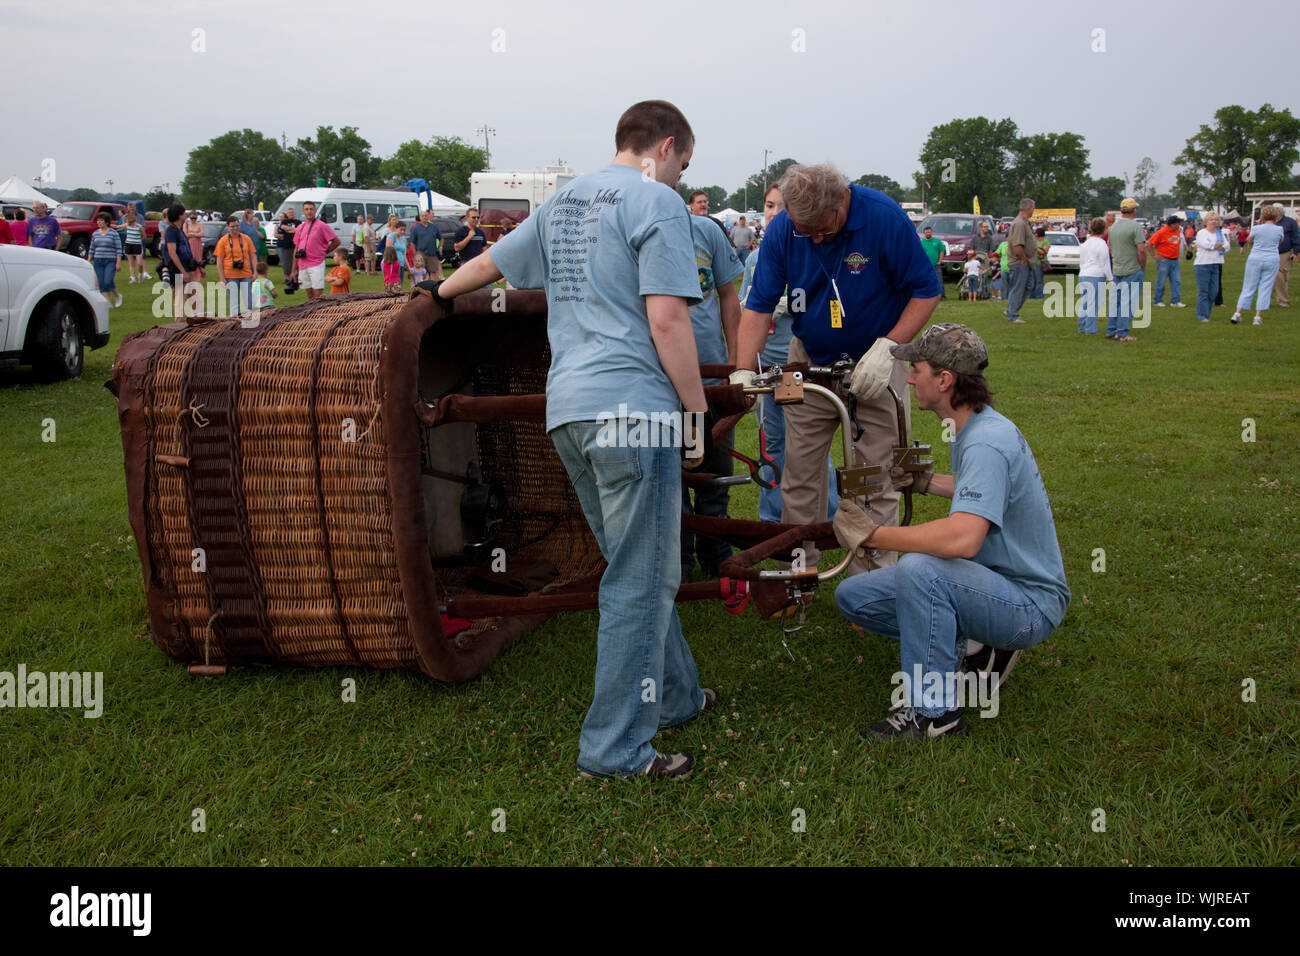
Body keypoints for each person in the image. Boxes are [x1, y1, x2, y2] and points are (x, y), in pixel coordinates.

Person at [429, 99, 715, 780]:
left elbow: (485, 267)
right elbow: (670, 319)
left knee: (633, 567)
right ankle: (614, 751)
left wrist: (436, 292)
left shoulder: (564, 201)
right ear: (667, 147)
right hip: (635, 411)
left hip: (570, 414)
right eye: (685, 164)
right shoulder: (658, 202)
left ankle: (672, 696)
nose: (681, 176)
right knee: (640, 581)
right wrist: (696, 411)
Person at [832, 323, 1069, 740]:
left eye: (916, 369)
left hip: (1029, 604)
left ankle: (934, 714)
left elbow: (963, 538)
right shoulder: (977, 426)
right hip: (992, 582)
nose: (908, 378)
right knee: (854, 596)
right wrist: (928, 483)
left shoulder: (985, 442)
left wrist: (871, 537)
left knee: (922, 570)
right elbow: (985, 492)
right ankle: (964, 650)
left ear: (944, 380)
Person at [732, 163, 941, 575]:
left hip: (878, 361)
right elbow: (758, 306)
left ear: (842, 200)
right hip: (809, 360)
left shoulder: (883, 217)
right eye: (805, 233)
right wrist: (742, 370)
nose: (814, 240)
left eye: (823, 231)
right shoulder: (783, 230)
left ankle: (873, 585)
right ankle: (801, 573)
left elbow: (926, 290)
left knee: (876, 478)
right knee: (800, 475)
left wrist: (888, 347)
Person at [736, 184, 839, 524]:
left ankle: (826, 510)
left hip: (797, 366)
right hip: (766, 367)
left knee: (805, 441)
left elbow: (829, 308)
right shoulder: (754, 259)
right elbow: (746, 307)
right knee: (771, 441)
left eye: (781, 206)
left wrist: (792, 306)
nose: (774, 212)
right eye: (768, 205)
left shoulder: (810, 253)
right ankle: (773, 514)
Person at [680, 188, 744, 583]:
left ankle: (716, 548)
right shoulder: (634, 232)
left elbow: (729, 297)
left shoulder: (707, 231)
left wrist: (733, 365)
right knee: (670, 475)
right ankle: (679, 558)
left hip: (711, 373)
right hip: (658, 379)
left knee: (716, 466)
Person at [1232, 205, 1284, 326]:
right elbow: (1280, 241)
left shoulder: (1256, 228)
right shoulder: (1279, 229)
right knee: (1265, 287)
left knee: (1248, 286)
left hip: (1255, 258)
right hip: (1271, 259)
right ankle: (1257, 316)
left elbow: (1249, 240)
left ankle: (1238, 312)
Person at [1106, 197, 1146, 342]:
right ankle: (1122, 332)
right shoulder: (1135, 227)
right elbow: (1141, 249)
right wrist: (1143, 264)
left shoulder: (1113, 227)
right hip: (1132, 268)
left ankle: (1111, 329)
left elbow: (1110, 248)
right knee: (1128, 301)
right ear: (1134, 210)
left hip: (1118, 268)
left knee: (1115, 301)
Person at [291, 201, 339, 301]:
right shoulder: (300, 227)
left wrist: (324, 252)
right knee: (309, 293)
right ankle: (311, 313)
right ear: (303, 211)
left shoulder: (322, 226)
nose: (309, 212)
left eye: (311, 209)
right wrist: (293, 270)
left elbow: (336, 241)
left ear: (315, 211)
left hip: (316, 263)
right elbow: (296, 248)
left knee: (317, 293)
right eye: (307, 209)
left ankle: (319, 313)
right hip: (303, 263)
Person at [214, 215, 257, 316]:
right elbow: (219, 260)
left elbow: (253, 256)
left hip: (246, 273)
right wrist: (222, 278)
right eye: (232, 226)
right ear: (228, 227)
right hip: (230, 275)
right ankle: (235, 320)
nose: (235, 228)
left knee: (248, 301)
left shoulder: (246, 239)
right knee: (234, 302)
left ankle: (249, 319)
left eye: (237, 225)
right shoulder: (223, 241)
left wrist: (255, 272)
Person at [1004, 198, 1038, 323]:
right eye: (1033, 208)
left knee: (1028, 286)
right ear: (1028, 208)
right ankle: (1013, 314)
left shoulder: (1024, 223)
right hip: (1019, 262)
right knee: (1019, 287)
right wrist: (1023, 258)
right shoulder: (1019, 223)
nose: (1034, 211)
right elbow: (1017, 245)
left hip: (1025, 261)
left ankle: (1010, 309)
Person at [1078, 217, 1112, 334]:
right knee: (1094, 303)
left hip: (1084, 274)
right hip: (1096, 275)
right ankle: (1090, 328)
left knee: (1085, 302)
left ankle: (1082, 326)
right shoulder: (1102, 244)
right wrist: (1110, 279)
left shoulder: (1085, 243)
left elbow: (1081, 261)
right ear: (1104, 229)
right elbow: (1105, 264)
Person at [161, 204, 196, 319]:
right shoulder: (171, 231)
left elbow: (187, 251)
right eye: (184, 213)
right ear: (179, 215)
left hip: (187, 268)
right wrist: (182, 272)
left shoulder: (180, 230)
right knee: (181, 302)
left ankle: (194, 326)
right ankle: (180, 328)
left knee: (194, 301)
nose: (185, 215)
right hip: (178, 271)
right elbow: (172, 253)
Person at [1193, 212, 1228, 323]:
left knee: (1214, 291)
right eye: (1211, 219)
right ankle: (1202, 315)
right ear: (1206, 221)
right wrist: (1216, 245)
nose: (1214, 222)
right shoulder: (1202, 233)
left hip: (1216, 263)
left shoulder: (1220, 233)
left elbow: (1227, 246)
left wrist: (1218, 246)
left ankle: (1206, 312)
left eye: (1216, 220)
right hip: (1203, 264)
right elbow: (1206, 245)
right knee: (1203, 291)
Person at [87, 212, 123, 308]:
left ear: (107, 222)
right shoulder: (95, 233)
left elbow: (118, 249)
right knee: (101, 282)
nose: (99, 222)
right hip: (98, 260)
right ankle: (107, 302)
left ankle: (117, 295)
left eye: (101, 220)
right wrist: (89, 259)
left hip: (110, 260)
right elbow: (92, 248)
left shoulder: (113, 233)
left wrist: (118, 263)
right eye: (98, 220)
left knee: (108, 280)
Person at [1148, 215, 1185, 307]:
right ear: (1172, 224)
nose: (1179, 224)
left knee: (1176, 281)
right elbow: (1149, 243)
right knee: (1161, 281)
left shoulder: (1177, 231)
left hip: (1175, 260)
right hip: (1164, 260)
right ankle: (1157, 300)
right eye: (1177, 222)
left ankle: (1175, 301)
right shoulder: (1161, 232)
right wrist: (1154, 255)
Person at [1272, 204, 1299, 308]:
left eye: (1277, 210)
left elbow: (1296, 237)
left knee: (1281, 276)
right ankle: (1266, 301)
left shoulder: (1290, 222)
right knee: (1267, 277)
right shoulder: (1269, 222)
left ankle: (1283, 301)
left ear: (1281, 211)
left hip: (1284, 253)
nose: (1275, 212)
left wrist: (1295, 252)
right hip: (1270, 252)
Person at [117, 208, 149, 284]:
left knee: (139, 263)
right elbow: (118, 227)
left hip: (137, 245)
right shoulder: (127, 225)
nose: (126, 222)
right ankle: (132, 278)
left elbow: (144, 236)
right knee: (131, 263)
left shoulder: (140, 227)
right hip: (128, 245)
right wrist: (109, 225)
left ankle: (140, 276)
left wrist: (138, 239)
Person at [409, 209, 443, 279]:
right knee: (421, 272)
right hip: (420, 254)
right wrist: (415, 254)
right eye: (422, 216)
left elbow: (441, 238)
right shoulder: (416, 228)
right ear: (420, 217)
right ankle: (422, 287)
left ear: (428, 217)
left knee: (433, 271)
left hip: (432, 253)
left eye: (426, 216)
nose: (424, 217)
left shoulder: (434, 227)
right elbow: (412, 242)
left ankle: (433, 288)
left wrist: (440, 247)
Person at [918, 225, 947, 300]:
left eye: (929, 232)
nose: (928, 233)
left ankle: (942, 296)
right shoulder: (921, 242)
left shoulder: (937, 241)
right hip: (926, 266)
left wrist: (939, 261)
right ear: (924, 233)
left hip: (936, 265)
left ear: (931, 232)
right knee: (926, 282)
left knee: (939, 281)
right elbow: (919, 253)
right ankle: (928, 296)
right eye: (926, 232)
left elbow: (942, 251)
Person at [276, 207, 299, 282]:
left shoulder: (298, 222)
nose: (291, 214)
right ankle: (288, 278)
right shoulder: (284, 221)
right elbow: (283, 227)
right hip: (287, 246)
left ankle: (297, 278)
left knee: (297, 262)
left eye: (292, 213)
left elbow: (299, 230)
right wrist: (293, 230)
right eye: (289, 213)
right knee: (287, 263)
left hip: (296, 245)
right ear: (287, 214)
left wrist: (289, 230)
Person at [1030, 226, 1048, 299]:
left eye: (1036, 233)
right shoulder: (1034, 241)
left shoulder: (1045, 242)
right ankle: (1032, 295)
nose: (1035, 235)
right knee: (1032, 280)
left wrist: (1035, 248)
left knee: (1039, 280)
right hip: (1033, 262)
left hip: (1040, 263)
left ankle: (1039, 295)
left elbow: (1044, 252)